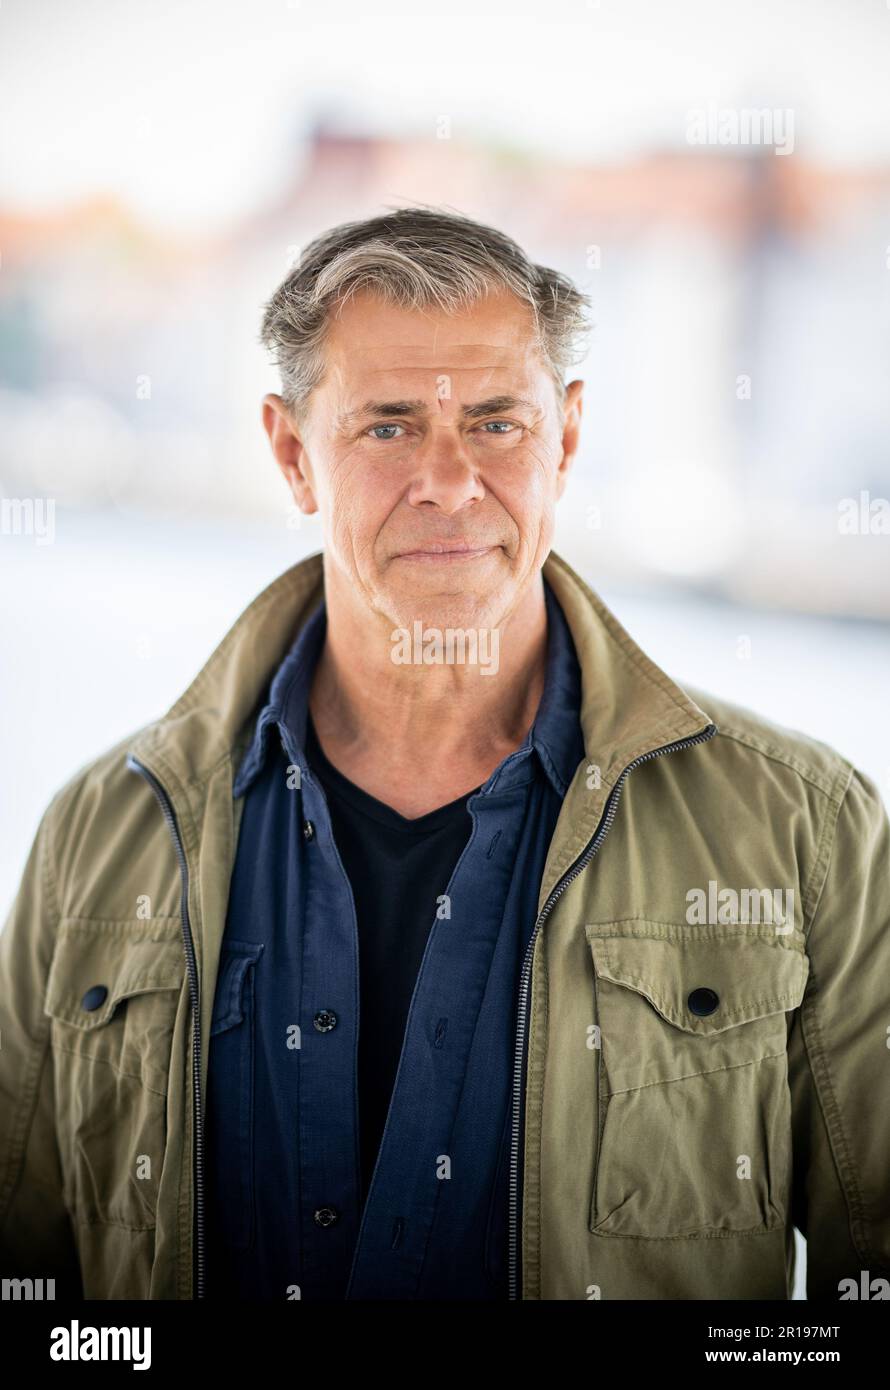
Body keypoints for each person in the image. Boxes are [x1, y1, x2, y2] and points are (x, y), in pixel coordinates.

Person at [1, 207, 888, 1301]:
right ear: (291, 453)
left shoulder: (803, 829)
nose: (449, 481)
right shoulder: (99, 835)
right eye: (385, 427)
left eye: (493, 423)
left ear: (563, 438)